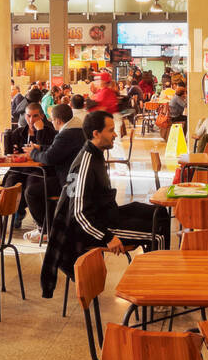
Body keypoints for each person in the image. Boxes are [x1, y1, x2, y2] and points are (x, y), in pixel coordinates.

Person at [49, 111, 167, 263]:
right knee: (158, 233)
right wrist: (107, 237)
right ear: (96, 134)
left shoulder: (96, 154)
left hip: (108, 215)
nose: (116, 135)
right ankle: (160, 279)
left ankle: (152, 269)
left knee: (160, 213)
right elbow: (77, 214)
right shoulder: (85, 162)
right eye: (111, 130)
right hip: (95, 228)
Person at [21, 103, 86, 242]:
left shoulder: (66, 134)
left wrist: (33, 152)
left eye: (51, 119)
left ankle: (45, 229)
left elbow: (49, 158)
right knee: (36, 183)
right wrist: (40, 147)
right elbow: (56, 149)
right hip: (77, 178)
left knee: (31, 192)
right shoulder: (77, 129)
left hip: (69, 182)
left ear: (57, 120)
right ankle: (48, 226)